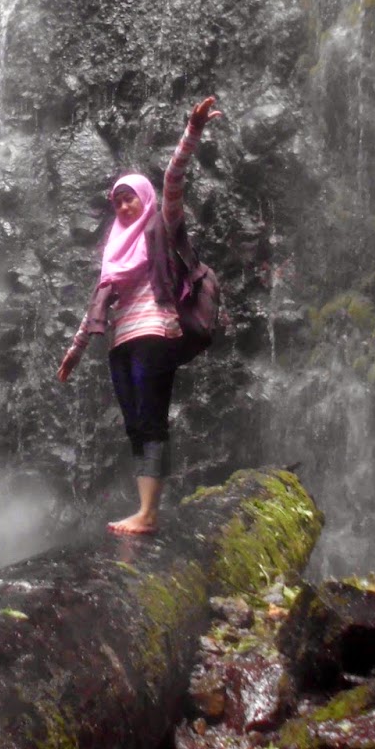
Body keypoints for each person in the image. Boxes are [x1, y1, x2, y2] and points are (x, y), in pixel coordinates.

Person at [57, 95, 223, 535]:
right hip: (121, 344)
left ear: (144, 199)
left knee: (151, 418)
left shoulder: (161, 225)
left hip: (155, 334)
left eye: (130, 198)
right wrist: (75, 352)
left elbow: (173, 179)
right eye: (118, 202)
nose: (124, 207)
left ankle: (149, 513)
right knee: (134, 424)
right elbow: (99, 302)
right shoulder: (115, 250)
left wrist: (192, 131)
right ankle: (143, 509)